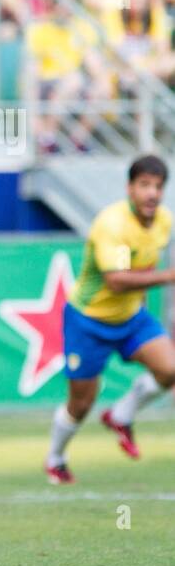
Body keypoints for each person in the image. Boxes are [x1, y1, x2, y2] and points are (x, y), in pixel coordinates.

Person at [45, 157, 175, 483]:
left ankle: (121, 415)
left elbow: (141, 268)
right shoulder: (112, 224)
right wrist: (168, 276)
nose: (152, 194)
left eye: (158, 187)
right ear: (130, 188)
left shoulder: (163, 222)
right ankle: (56, 458)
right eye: (144, 185)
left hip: (131, 317)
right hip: (89, 321)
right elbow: (116, 279)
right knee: (81, 402)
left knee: (170, 369)